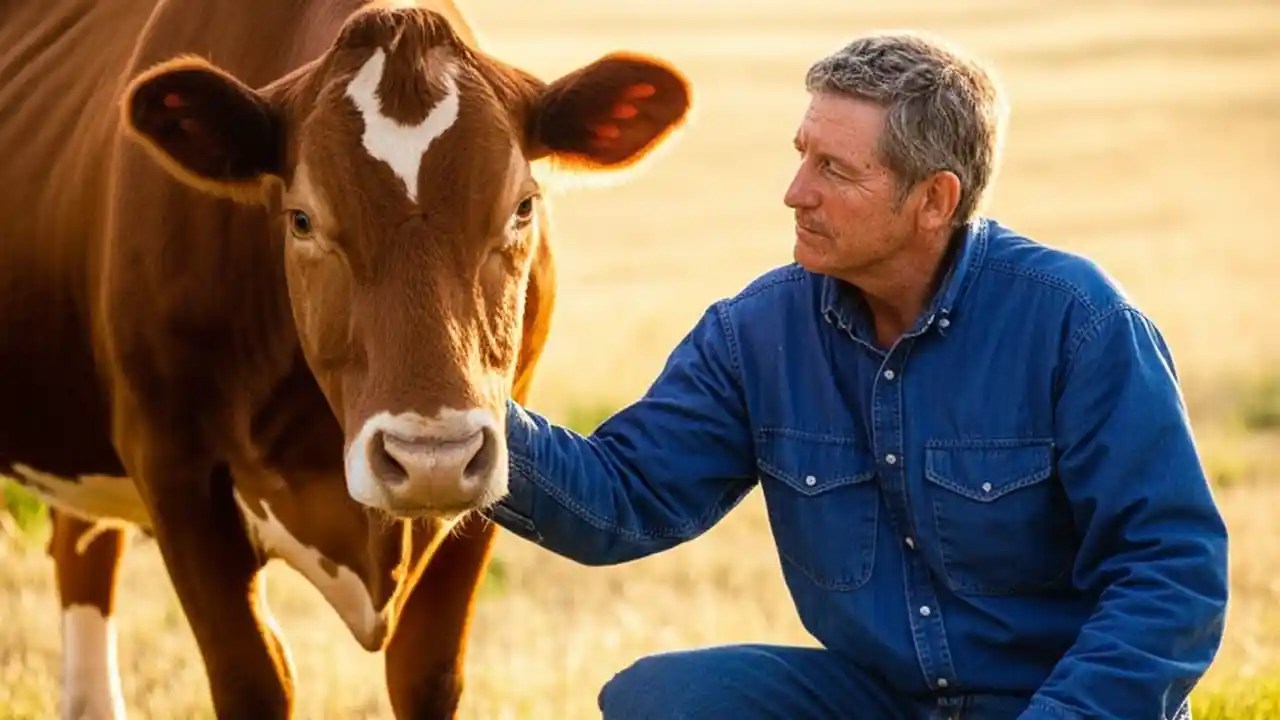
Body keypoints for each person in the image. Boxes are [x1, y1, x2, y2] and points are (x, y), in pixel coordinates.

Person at [486, 30, 1229, 720]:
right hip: (881, 700)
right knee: (661, 699)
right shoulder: (756, 333)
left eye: (833, 168)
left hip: (1054, 699)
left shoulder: (1079, 324)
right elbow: (622, 497)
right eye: (802, 153)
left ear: (934, 200)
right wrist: (469, 414)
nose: (795, 191)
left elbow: (1171, 574)